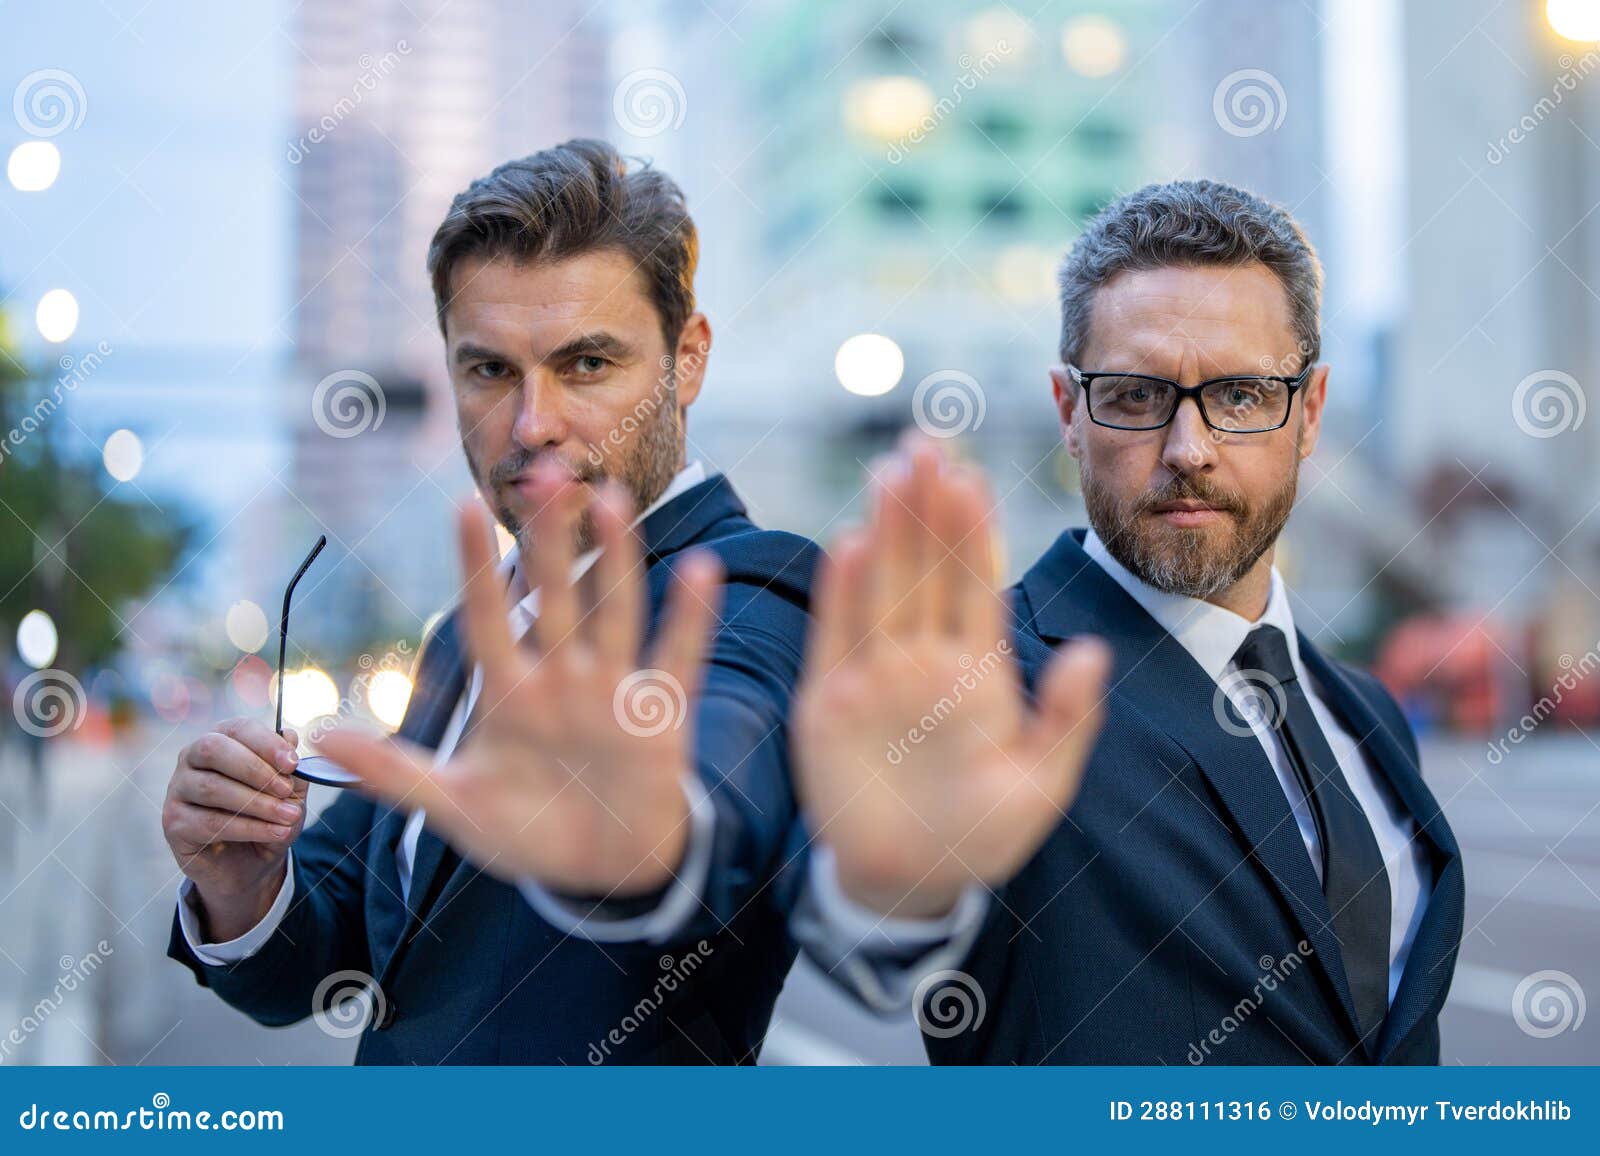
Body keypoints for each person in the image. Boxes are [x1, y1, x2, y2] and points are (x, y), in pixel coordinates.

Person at [162, 139, 818, 1064]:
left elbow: (723, 774)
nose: (532, 424)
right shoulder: (469, 635)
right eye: (490, 371)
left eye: (587, 365)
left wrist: (649, 839)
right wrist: (243, 883)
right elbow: (328, 952)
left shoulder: (759, 591)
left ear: (689, 359)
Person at [790, 180, 1465, 1065]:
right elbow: (876, 945)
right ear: (1070, 412)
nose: (1190, 447)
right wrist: (884, 894)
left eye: (1243, 393)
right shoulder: (988, 686)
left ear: (1310, 413)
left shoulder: (1369, 715)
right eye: (1139, 396)